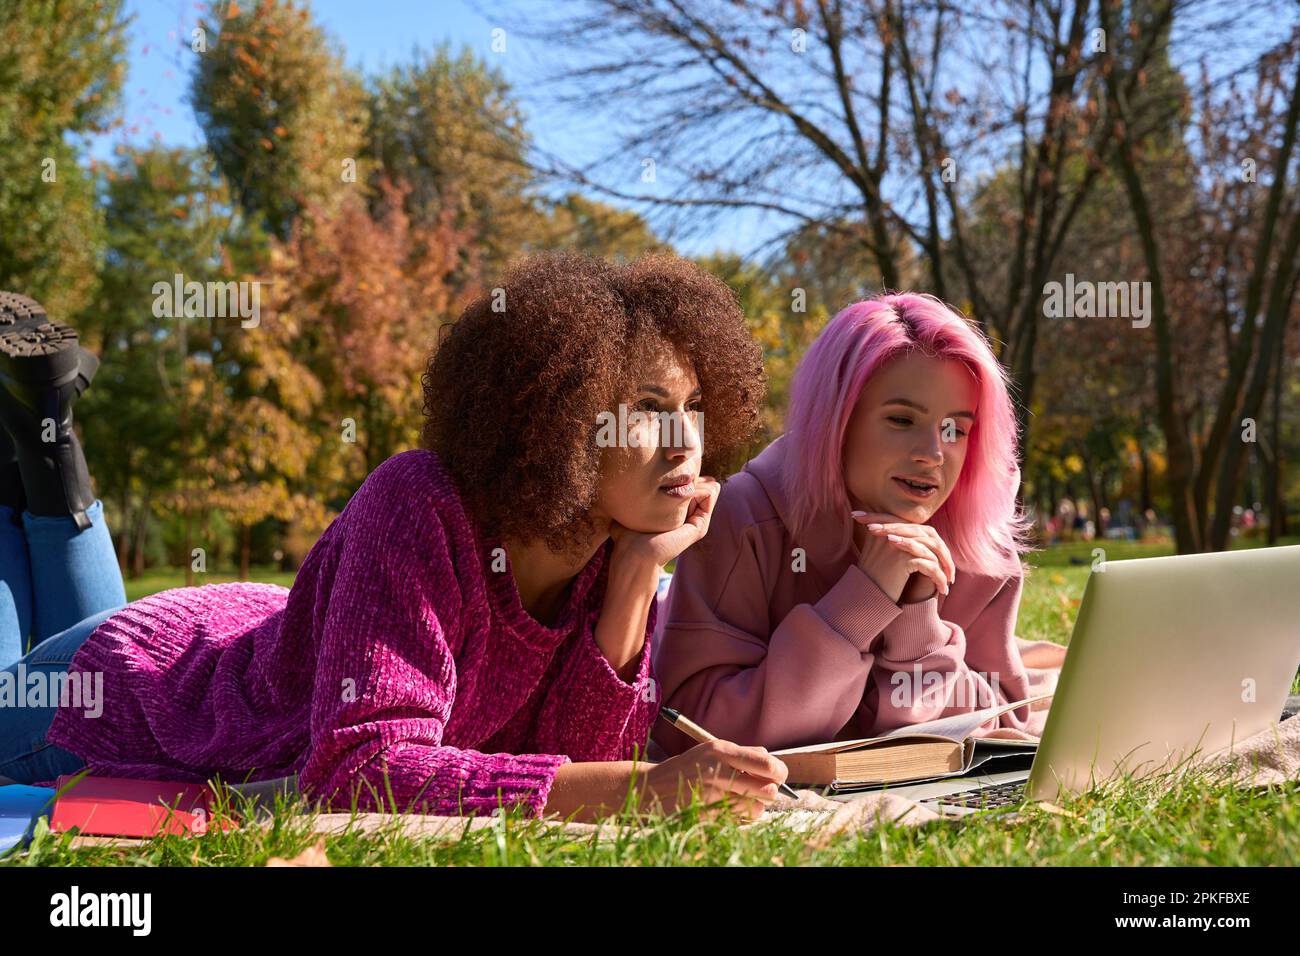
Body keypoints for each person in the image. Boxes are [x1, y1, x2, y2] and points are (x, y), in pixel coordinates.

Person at [0, 253, 790, 822]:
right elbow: (360, 768)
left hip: (234, 635)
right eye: (650, 407)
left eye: (692, 406)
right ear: (557, 414)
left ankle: (44, 432)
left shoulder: (618, 548)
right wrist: (644, 789)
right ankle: (41, 436)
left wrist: (630, 585)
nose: (687, 440)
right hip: (140, 689)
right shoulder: (420, 502)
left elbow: (572, 766)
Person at [652, 293, 1065, 758]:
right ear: (836, 423)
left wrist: (917, 624)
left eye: (956, 429)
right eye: (901, 419)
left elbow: (1009, 718)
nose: (932, 452)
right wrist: (862, 602)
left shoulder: (981, 539)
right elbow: (682, 728)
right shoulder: (743, 517)